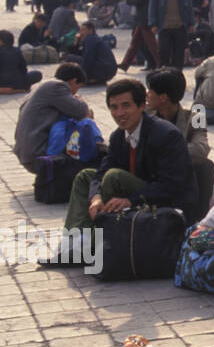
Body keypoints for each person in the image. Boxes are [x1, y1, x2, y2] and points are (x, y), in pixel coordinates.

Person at [40, 78, 202, 266]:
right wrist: (96, 198)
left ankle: (94, 242)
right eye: (114, 107)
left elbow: (173, 185)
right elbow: (101, 172)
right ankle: (74, 242)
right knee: (86, 177)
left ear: (142, 105)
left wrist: (130, 200)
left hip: (170, 203)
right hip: (143, 191)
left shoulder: (166, 134)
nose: (119, 113)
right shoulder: (119, 136)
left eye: (126, 106)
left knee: (114, 177)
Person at [145, 68, 214, 208]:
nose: (147, 95)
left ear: (163, 97)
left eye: (150, 91)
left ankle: (196, 220)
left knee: (205, 166)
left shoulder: (196, 116)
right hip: (151, 173)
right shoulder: (143, 115)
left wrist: (167, 151)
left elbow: (201, 149)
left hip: (179, 173)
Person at [13, 63, 92, 173]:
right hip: (38, 155)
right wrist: (80, 99)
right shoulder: (56, 87)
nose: (74, 93)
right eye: (77, 88)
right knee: (85, 121)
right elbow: (81, 110)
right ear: (73, 81)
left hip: (27, 154)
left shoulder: (42, 86)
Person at [147, 0, 194, 69]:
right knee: (163, 53)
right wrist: (153, 24)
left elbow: (189, 8)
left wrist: (191, 23)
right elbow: (152, 8)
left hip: (180, 27)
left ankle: (177, 76)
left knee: (179, 55)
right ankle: (163, 76)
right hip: (164, 28)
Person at [119, 0, 158, 72]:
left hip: (143, 18)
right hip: (144, 17)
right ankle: (125, 64)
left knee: (152, 44)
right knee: (135, 43)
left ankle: (160, 63)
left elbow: (139, 1)